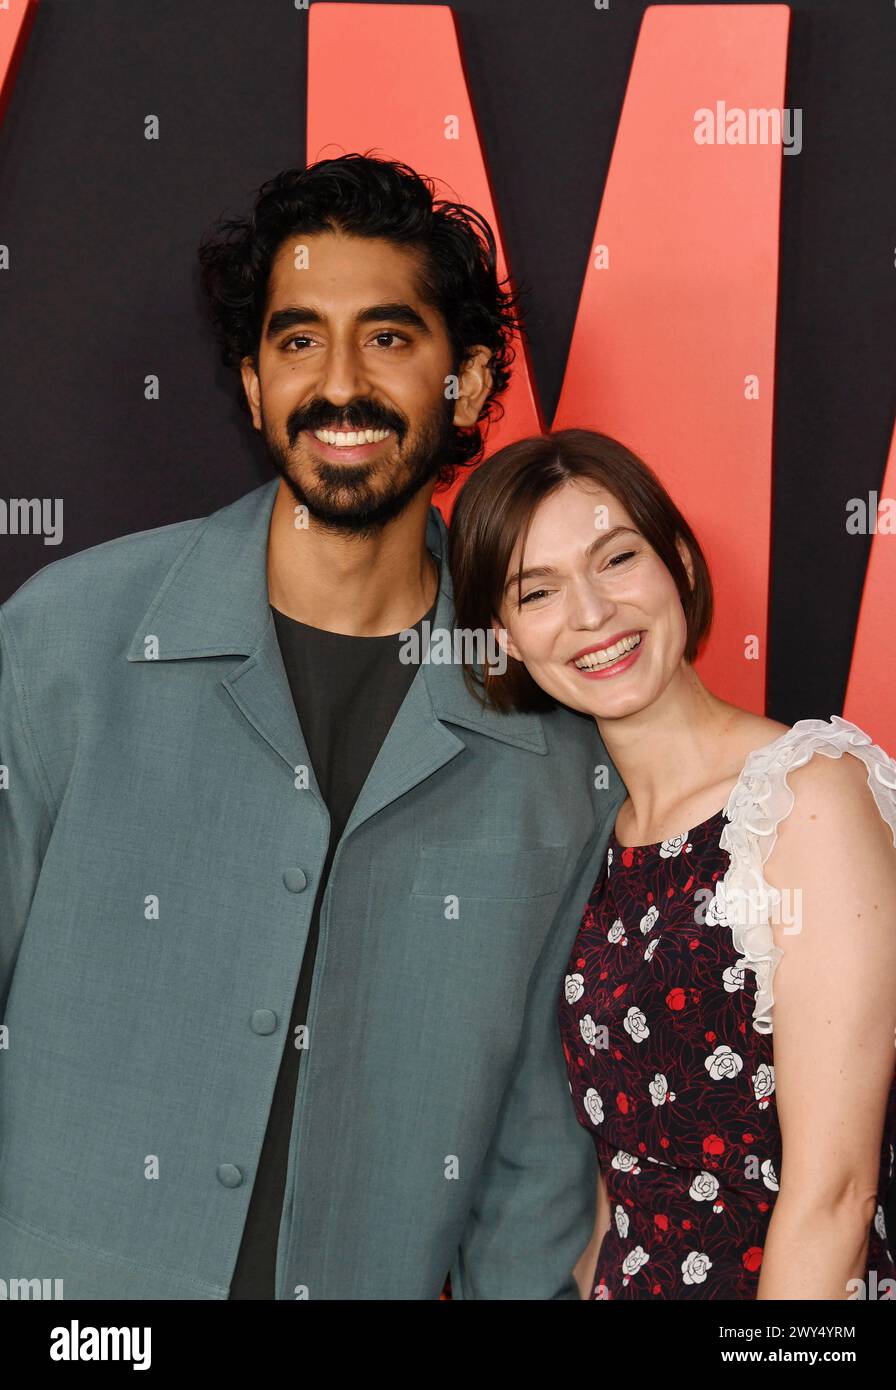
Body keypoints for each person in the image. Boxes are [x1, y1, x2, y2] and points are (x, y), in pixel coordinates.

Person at [0, 157, 625, 1300]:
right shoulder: (64, 647)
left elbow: (538, 1156)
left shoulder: (552, 741)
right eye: (298, 342)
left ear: (470, 380)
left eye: (389, 339)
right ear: (250, 383)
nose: (340, 383)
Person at [448, 427, 896, 1300]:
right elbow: (620, 1181)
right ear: (500, 640)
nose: (591, 614)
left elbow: (837, 1196)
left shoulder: (809, 796)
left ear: (681, 567)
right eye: (536, 591)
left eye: (616, 559)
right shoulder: (601, 839)